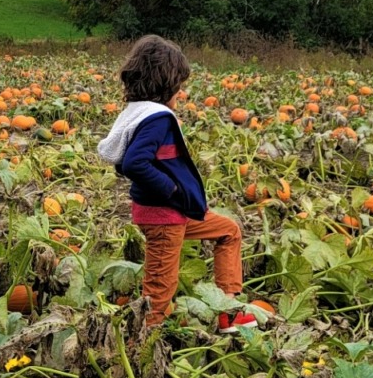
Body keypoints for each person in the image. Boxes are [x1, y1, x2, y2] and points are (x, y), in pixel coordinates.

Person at [97, 35, 256, 333]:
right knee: (159, 292)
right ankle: (141, 347)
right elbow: (133, 163)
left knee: (229, 231)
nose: (180, 93)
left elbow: (125, 159)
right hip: (164, 217)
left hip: (178, 212)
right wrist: (170, 189)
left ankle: (228, 311)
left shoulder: (138, 112)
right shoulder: (156, 119)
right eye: (179, 85)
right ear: (166, 84)